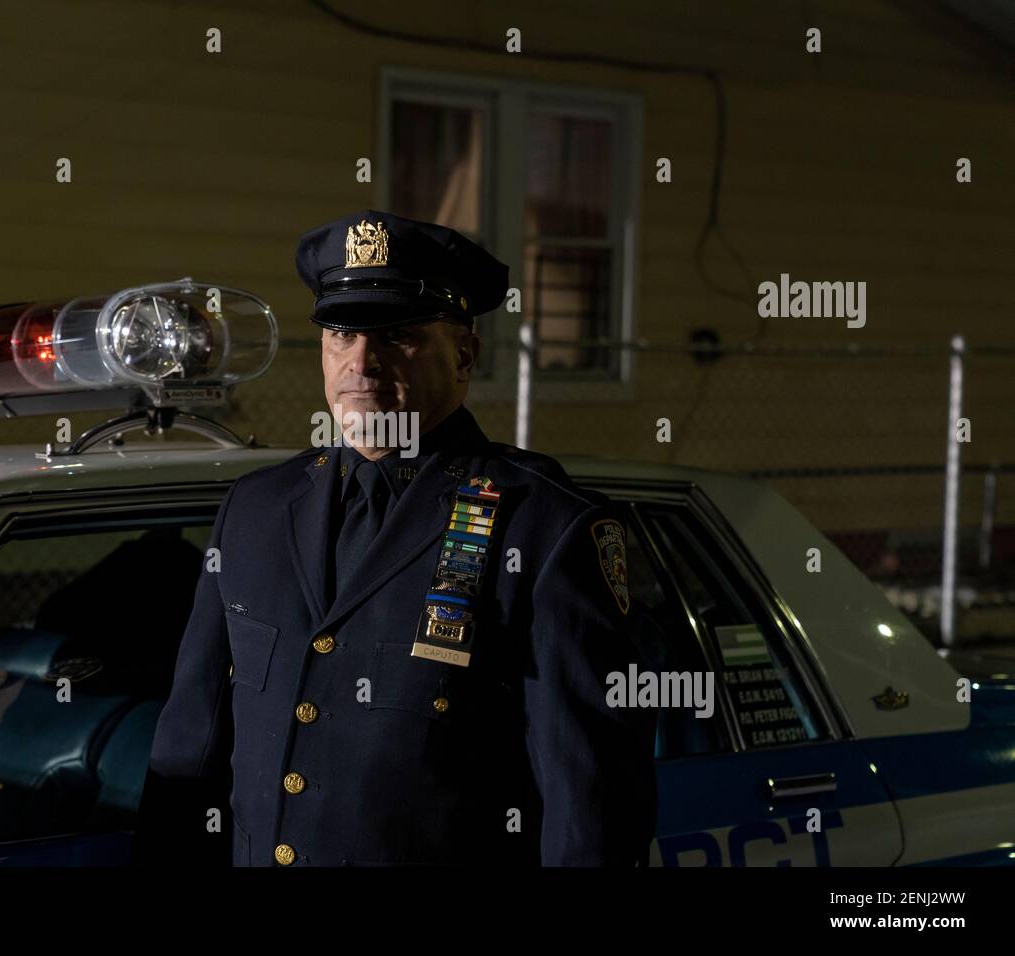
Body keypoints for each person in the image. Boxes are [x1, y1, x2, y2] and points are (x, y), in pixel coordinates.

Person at [140, 209, 656, 866]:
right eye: (343, 334)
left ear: (464, 353)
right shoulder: (256, 509)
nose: (363, 363)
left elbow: (591, 809)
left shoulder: (546, 527)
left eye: (398, 336)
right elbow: (190, 746)